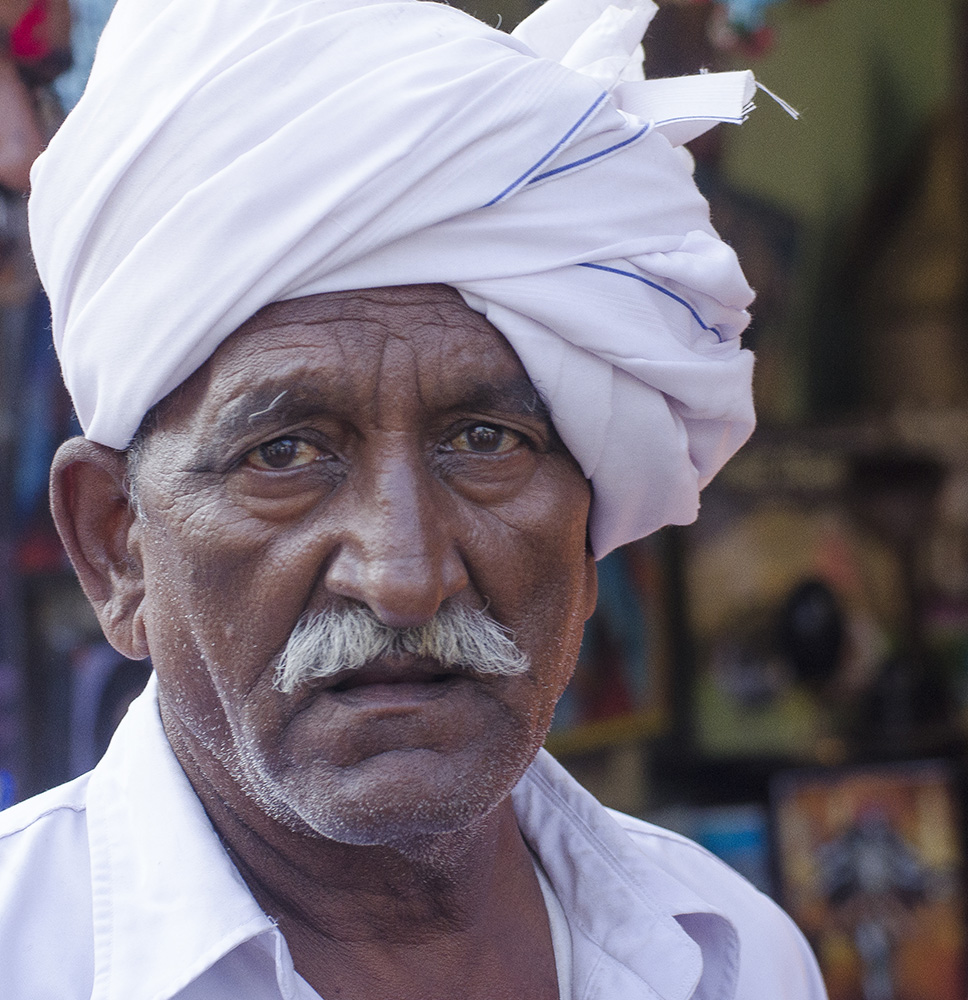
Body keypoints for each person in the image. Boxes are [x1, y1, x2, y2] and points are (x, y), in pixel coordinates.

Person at [0, 0, 828, 996]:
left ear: (588, 526)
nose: (404, 577)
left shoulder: (736, 957)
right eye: (284, 453)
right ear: (116, 548)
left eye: (485, 442)